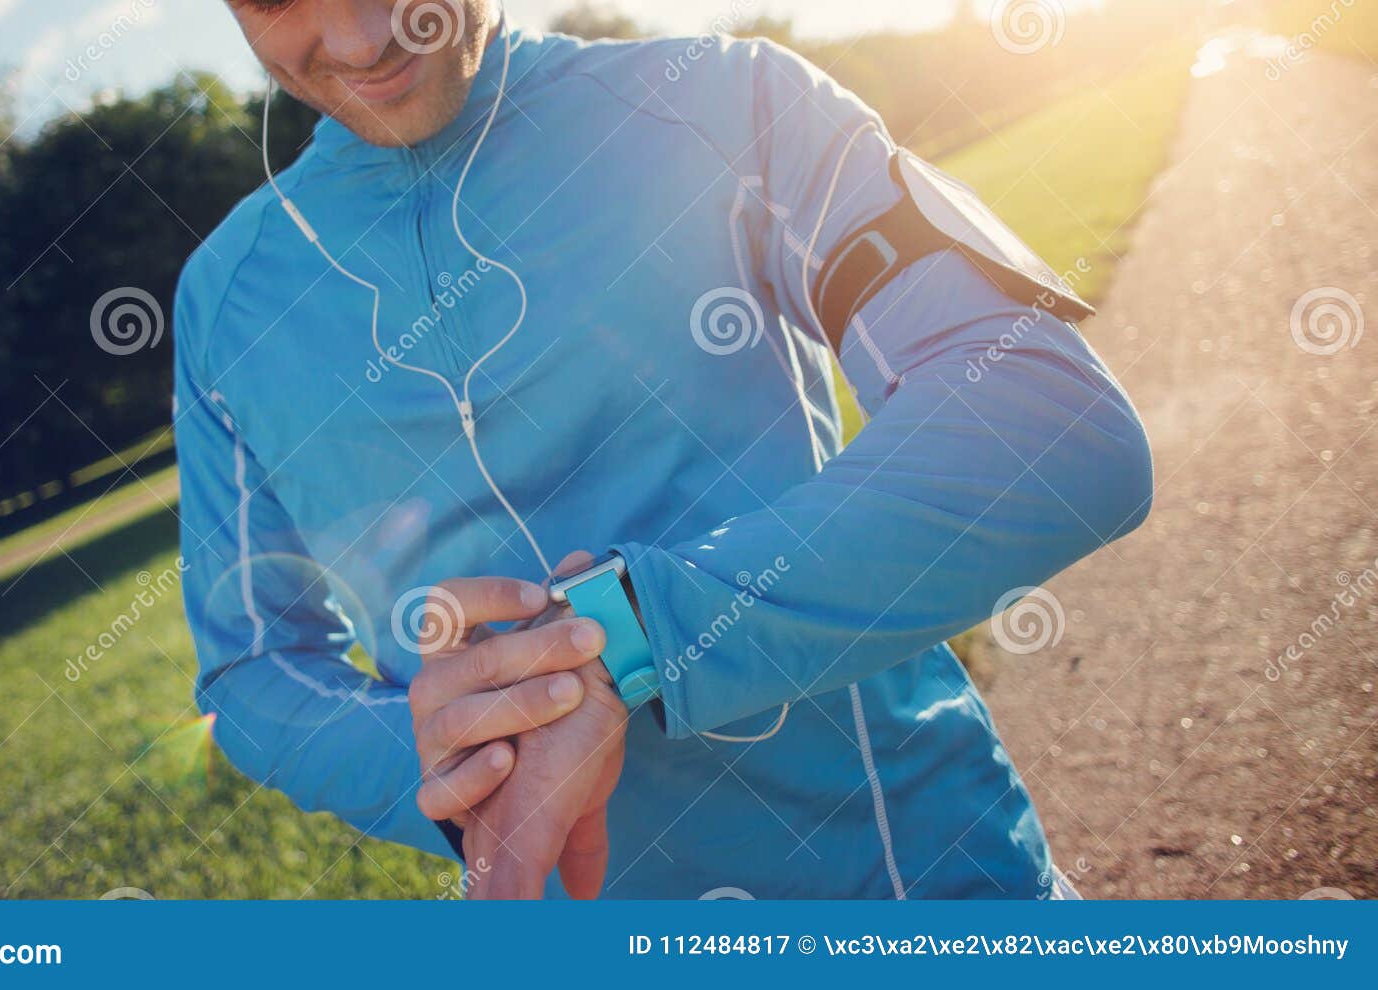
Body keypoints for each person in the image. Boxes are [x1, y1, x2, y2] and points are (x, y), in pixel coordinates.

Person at [174, 0, 1152, 899]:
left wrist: (622, 641)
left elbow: (1046, 424)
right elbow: (252, 669)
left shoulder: (728, 103)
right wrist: (455, 760)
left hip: (920, 882)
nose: (355, 39)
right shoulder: (223, 307)